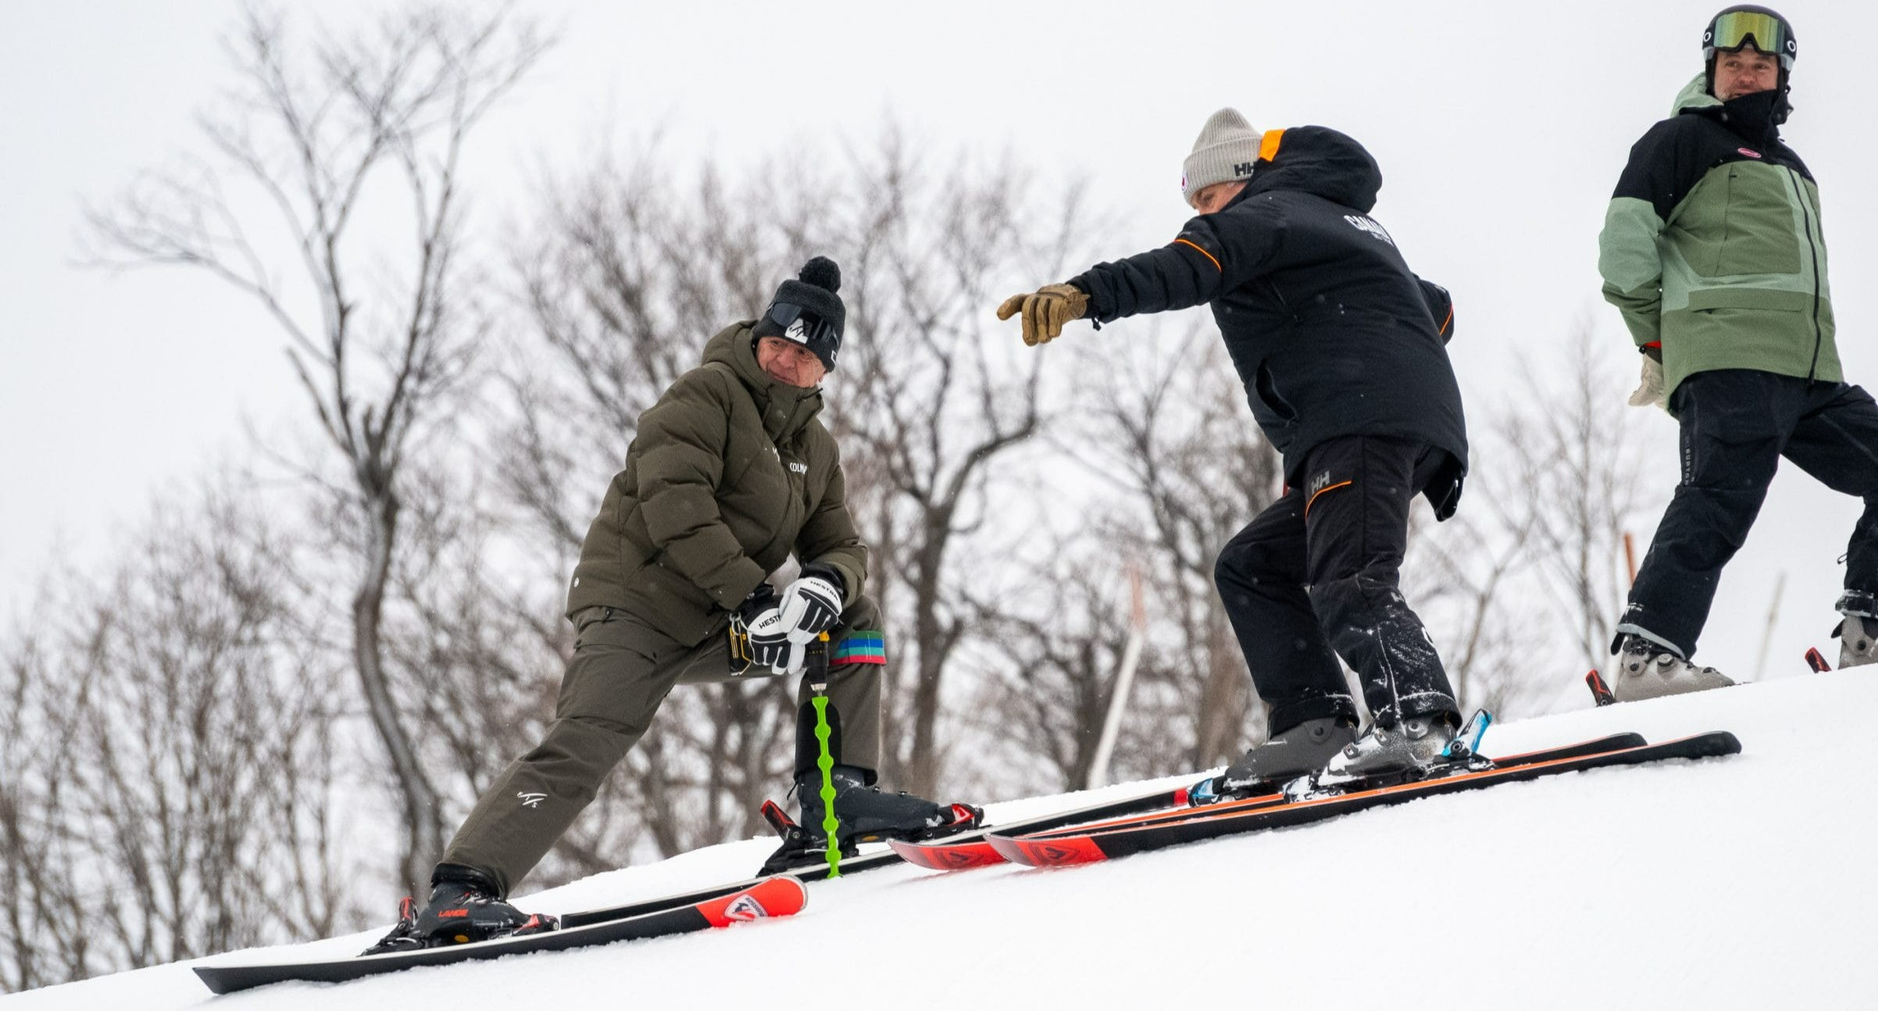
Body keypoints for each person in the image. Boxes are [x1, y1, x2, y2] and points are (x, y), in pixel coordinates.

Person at [375, 257, 979, 951]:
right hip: (637, 607)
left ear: (826, 370)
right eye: (779, 342)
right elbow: (676, 504)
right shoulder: (706, 394)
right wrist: (755, 598)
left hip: (722, 620)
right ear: (759, 337)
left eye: (806, 354)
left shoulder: (816, 449)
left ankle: (832, 801)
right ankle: (463, 889)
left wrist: (822, 587)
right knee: (588, 737)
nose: (786, 360)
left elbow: (844, 545)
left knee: (854, 617)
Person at [997, 109, 1469, 790]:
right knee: (1252, 564)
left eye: (1209, 199)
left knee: (1352, 577)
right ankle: (1316, 723)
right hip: (1384, 420)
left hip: (1356, 421)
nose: (1200, 215)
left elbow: (1182, 268)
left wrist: (1085, 293)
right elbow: (1438, 309)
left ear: (1243, 182)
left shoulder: (1267, 214)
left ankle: (1415, 715)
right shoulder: (1333, 221)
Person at [1598, 5, 1878, 702]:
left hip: (1811, 373)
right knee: (1721, 495)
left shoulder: (1792, 166)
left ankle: (1871, 632)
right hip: (1729, 358)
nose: (1747, 75)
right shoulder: (1680, 140)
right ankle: (1647, 655)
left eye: (1761, 67)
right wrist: (1662, 341)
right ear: (1712, 73)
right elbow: (1623, 253)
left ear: (1782, 77)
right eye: (1734, 66)